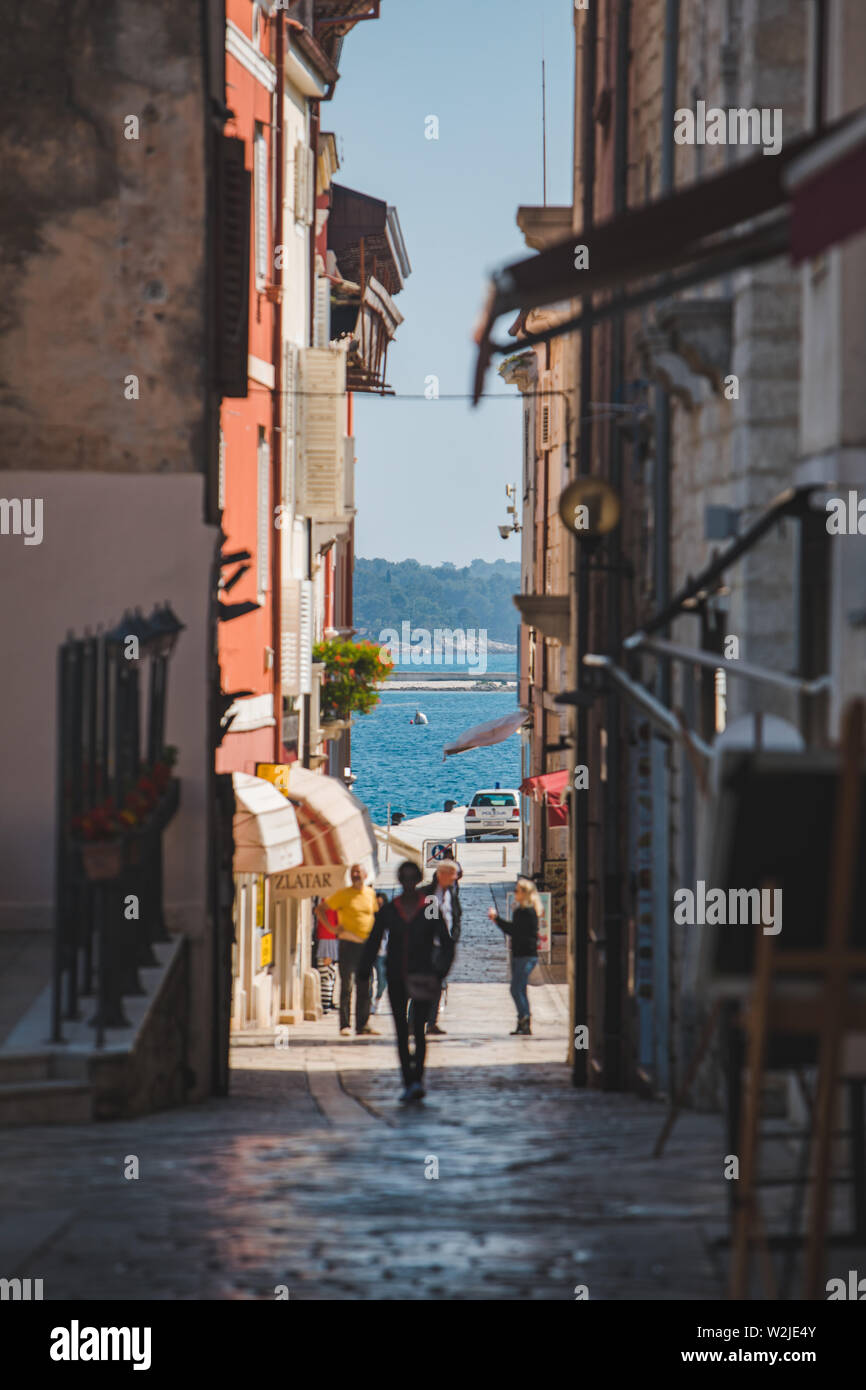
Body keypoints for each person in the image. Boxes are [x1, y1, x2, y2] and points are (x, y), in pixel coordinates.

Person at [360, 861, 454, 1103]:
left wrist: (439, 973)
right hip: (397, 977)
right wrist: (363, 971)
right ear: (402, 881)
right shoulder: (391, 910)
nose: (410, 882)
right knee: (403, 1031)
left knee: (418, 1031)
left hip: (422, 976)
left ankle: (416, 1080)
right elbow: (373, 942)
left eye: (413, 878)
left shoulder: (428, 908)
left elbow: (446, 942)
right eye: (407, 878)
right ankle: (409, 1080)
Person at [317, 864, 379, 1037]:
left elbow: (373, 915)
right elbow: (320, 909)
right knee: (347, 986)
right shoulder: (343, 894)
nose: (356, 875)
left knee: (365, 986)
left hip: (366, 946)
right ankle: (344, 1025)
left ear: (366, 875)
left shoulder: (370, 894)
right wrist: (332, 928)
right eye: (353, 872)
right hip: (348, 944)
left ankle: (362, 1025)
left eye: (359, 872)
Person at [488, 878, 541, 1035]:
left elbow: (513, 930)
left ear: (525, 893)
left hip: (526, 955)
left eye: (517, 890)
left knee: (516, 988)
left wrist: (496, 918)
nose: (515, 892)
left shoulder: (527, 912)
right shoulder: (523, 910)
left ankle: (524, 1019)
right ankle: (522, 1022)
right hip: (519, 954)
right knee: (520, 988)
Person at [421, 860, 461, 1036]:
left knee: (437, 985)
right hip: (430, 947)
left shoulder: (451, 892)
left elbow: (456, 914)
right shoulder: (429, 895)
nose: (455, 878)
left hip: (445, 947)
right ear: (441, 875)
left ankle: (432, 1023)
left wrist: (454, 937)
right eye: (452, 874)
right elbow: (428, 922)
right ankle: (414, 1021)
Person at [314, 902, 339, 1012]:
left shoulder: (327, 903)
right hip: (328, 938)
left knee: (328, 974)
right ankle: (326, 1003)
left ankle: (326, 1003)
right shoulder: (331, 903)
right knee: (328, 975)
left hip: (327, 938)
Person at [370, 891, 389, 1015]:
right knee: (368, 981)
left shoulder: (390, 917)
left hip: (383, 953)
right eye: (377, 904)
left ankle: (377, 999)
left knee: (382, 981)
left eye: (381, 904)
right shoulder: (370, 917)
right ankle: (369, 1003)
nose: (379, 907)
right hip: (370, 952)